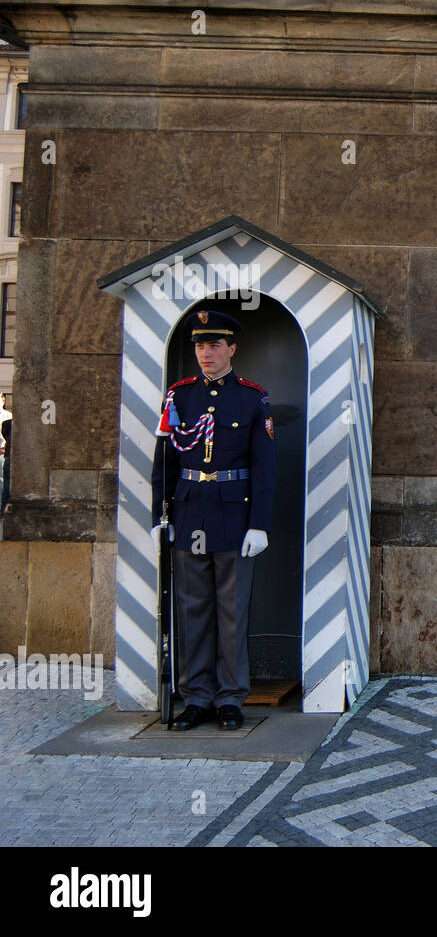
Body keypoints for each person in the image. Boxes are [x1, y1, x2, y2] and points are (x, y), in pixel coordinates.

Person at [151, 310, 276, 731]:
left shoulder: (251, 398)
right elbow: (166, 460)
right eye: (200, 346)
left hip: (234, 517)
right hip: (188, 512)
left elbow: (265, 467)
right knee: (192, 612)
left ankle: (230, 698)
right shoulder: (179, 396)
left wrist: (260, 523)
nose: (206, 353)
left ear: (232, 349)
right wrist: (160, 513)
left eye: (215, 345)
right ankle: (196, 696)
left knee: (232, 612)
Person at [0, 392, 11, 515]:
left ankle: (3, 509)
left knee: (3, 482)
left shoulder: (7, 417)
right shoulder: (8, 419)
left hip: (3, 452)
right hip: (5, 452)